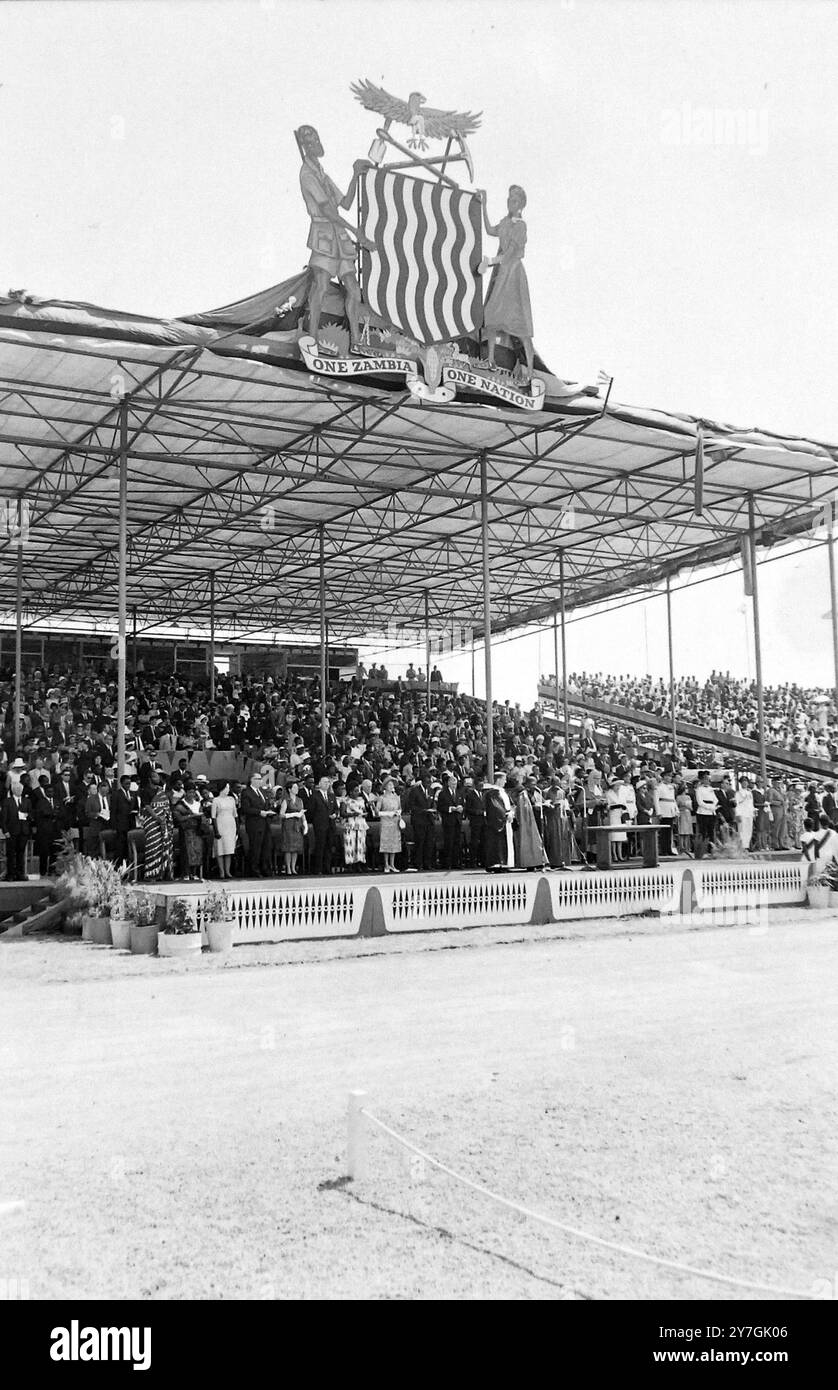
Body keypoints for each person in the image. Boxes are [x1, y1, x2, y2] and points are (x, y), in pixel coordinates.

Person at [295, 124, 373, 347]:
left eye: (316, 138)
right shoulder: (307, 174)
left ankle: (356, 340)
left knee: (353, 290)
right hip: (324, 236)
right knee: (320, 287)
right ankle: (312, 338)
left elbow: (345, 203)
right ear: (304, 146)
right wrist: (356, 232)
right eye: (309, 141)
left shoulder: (321, 173)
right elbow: (328, 212)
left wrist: (355, 174)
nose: (315, 144)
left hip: (339, 236)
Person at [477, 184, 534, 382]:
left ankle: (530, 371)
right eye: (509, 199)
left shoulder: (520, 226)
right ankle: (491, 360)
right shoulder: (505, 222)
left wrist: (490, 261)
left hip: (513, 274)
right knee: (491, 314)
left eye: (515, 200)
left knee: (519, 322)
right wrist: (484, 205)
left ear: (521, 204)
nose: (511, 203)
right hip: (501, 273)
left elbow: (510, 253)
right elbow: (489, 230)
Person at [138, 775, 174, 882]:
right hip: (152, 823)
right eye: (154, 776)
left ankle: (164, 873)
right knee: (153, 847)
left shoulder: (162, 791)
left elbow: (167, 806)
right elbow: (147, 806)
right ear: (150, 778)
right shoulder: (145, 791)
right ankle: (152, 874)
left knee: (165, 846)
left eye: (158, 777)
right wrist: (157, 817)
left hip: (165, 822)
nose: (157, 778)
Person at [240, 771, 272, 877]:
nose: (260, 781)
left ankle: (265, 868)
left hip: (265, 823)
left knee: (265, 847)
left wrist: (269, 811)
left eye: (260, 779)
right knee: (255, 848)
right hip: (254, 824)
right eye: (258, 779)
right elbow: (246, 808)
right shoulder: (246, 792)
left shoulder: (262, 791)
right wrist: (259, 812)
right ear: (252, 780)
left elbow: (265, 805)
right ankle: (254, 869)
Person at [483, 772, 514, 871]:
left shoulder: (503, 792)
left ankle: (505, 863)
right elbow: (495, 808)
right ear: (499, 780)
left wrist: (511, 812)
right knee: (497, 843)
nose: (505, 781)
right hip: (497, 823)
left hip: (506, 822)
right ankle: (496, 864)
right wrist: (505, 815)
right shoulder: (492, 793)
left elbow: (511, 805)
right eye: (504, 779)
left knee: (505, 843)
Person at [1, 780, 30, 879]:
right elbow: (3, 818)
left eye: (21, 789)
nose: (19, 790)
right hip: (11, 832)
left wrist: (27, 815)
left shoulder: (27, 801)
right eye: (17, 789)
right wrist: (5, 831)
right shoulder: (7, 801)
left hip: (23, 831)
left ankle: (20, 874)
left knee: (20, 854)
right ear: (13, 790)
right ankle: (10, 874)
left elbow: (31, 814)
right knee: (11, 854)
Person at [211, 780, 238, 880]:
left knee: (229, 849)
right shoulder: (216, 800)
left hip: (230, 824)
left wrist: (237, 827)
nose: (228, 789)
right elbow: (213, 816)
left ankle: (228, 871)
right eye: (226, 787)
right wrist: (216, 830)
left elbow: (235, 814)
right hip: (220, 823)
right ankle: (221, 872)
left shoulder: (231, 799)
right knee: (220, 849)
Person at [437, 772, 463, 869]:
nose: (454, 786)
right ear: (448, 783)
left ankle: (456, 863)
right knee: (449, 842)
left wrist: (461, 808)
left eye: (455, 784)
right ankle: (447, 863)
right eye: (452, 784)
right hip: (448, 821)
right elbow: (440, 807)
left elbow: (462, 803)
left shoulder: (459, 793)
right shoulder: (443, 794)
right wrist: (450, 809)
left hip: (457, 820)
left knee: (457, 842)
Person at [280, 780, 306, 876]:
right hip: (288, 825)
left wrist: (304, 823)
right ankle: (288, 868)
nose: (297, 789)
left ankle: (293, 867)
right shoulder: (286, 800)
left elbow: (302, 812)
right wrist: (293, 814)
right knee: (288, 847)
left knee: (296, 848)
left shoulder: (300, 800)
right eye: (294, 787)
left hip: (297, 825)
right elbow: (281, 814)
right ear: (289, 789)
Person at [378, 776, 402, 873]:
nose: (391, 786)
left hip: (395, 822)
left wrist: (398, 813)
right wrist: (388, 813)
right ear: (385, 786)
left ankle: (392, 864)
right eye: (389, 785)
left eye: (392, 785)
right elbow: (377, 812)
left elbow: (400, 808)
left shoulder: (397, 797)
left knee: (394, 843)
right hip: (385, 822)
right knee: (386, 844)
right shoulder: (381, 798)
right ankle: (386, 864)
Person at [341, 788, 367, 871]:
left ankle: (359, 863)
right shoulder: (345, 801)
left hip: (360, 824)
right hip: (350, 824)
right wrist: (352, 814)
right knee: (350, 844)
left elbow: (365, 811)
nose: (357, 792)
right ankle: (349, 864)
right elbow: (342, 813)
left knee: (360, 844)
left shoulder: (361, 800)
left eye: (358, 791)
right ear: (350, 791)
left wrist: (365, 814)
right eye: (355, 791)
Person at [734, 776, 755, 853]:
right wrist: (738, 814)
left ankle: (747, 845)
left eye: (746, 781)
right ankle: (742, 846)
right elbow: (737, 804)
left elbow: (751, 804)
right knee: (742, 830)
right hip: (742, 813)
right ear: (741, 783)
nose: (745, 783)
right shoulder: (738, 793)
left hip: (749, 813)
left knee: (749, 830)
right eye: (743, 782)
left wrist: (753, 812)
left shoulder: (749, 792)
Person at [676, 782, 694, 856]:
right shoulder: (678, 797)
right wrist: (683, 806)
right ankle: (681, 847)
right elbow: (676, 806)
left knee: (687, 832)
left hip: (688, 814)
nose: (687, 789)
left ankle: (687, 847)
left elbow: (691, 807)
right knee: (682, 832)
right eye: (686, 788)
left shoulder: (688, 797)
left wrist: (689, 807)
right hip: (682, 814)